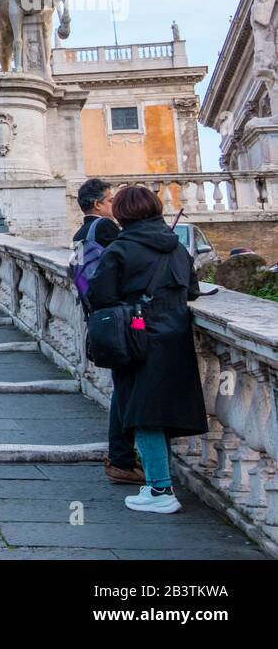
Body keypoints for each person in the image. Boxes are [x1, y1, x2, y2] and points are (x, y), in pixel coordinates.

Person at [87, 185, 207, 515]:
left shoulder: (120, 248)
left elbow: (100, 295)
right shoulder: (177, 248)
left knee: (144, 414)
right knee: (160, 411)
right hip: (175, 334)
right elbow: (192, 290)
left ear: (123, 214)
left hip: (138, 337)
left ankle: (160, 489)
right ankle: (158, 481)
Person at [72, 177, 138, 485]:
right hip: (118, 315)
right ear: (98, 204)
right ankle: (121, 457)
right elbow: (124, 267)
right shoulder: (106, 229)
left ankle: (123, 456)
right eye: (110, 200)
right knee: (125, 390)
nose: (114, 205)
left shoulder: (79, 233)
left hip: (96, 316)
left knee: (121, 387)